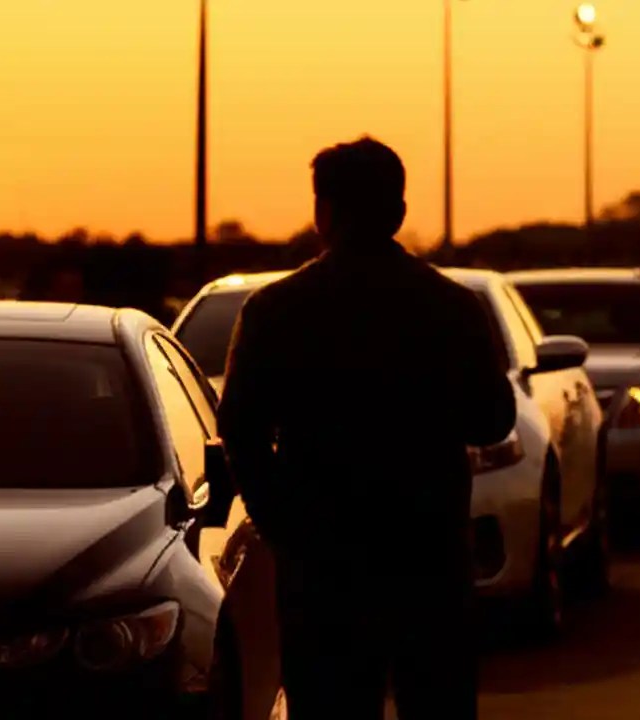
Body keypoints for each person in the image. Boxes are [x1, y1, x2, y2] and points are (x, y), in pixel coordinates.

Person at [217, 136, 517, 720]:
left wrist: (284, 525)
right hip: (429, 561)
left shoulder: (277, 309)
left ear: (322, 213)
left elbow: (241, 430)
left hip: (323, 568)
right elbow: (492, 419)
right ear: (399, 213)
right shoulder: (451, 307)